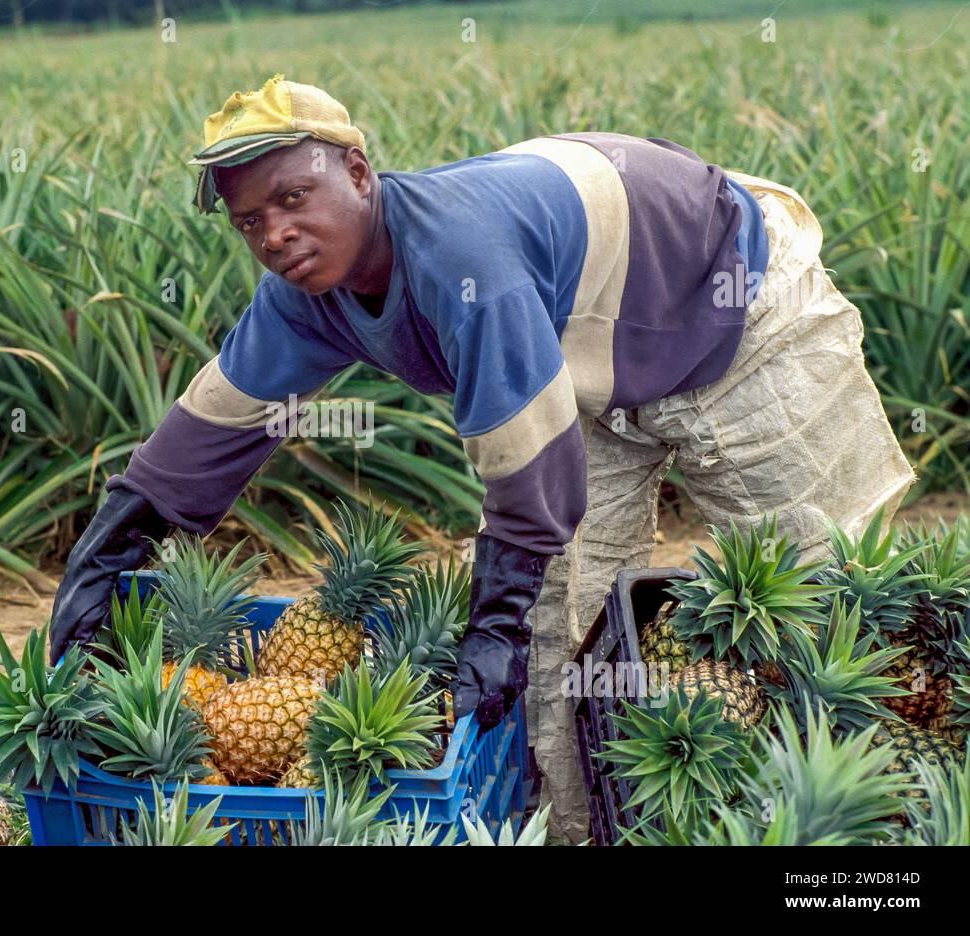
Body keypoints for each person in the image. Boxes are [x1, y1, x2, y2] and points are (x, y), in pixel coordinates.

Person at [48, 73, 916, 840]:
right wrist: (107, 549)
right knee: (549, 627)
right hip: (588, 355)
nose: (274, 233)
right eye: (249, 221)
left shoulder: (462, 261)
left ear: (358, 174)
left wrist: (488, 623)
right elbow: (220, 418)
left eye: (292, 197)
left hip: (737, 302)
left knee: (824, 600)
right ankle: (569, 831)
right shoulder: (305, 294)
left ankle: (879, 836)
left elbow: (528, 466)